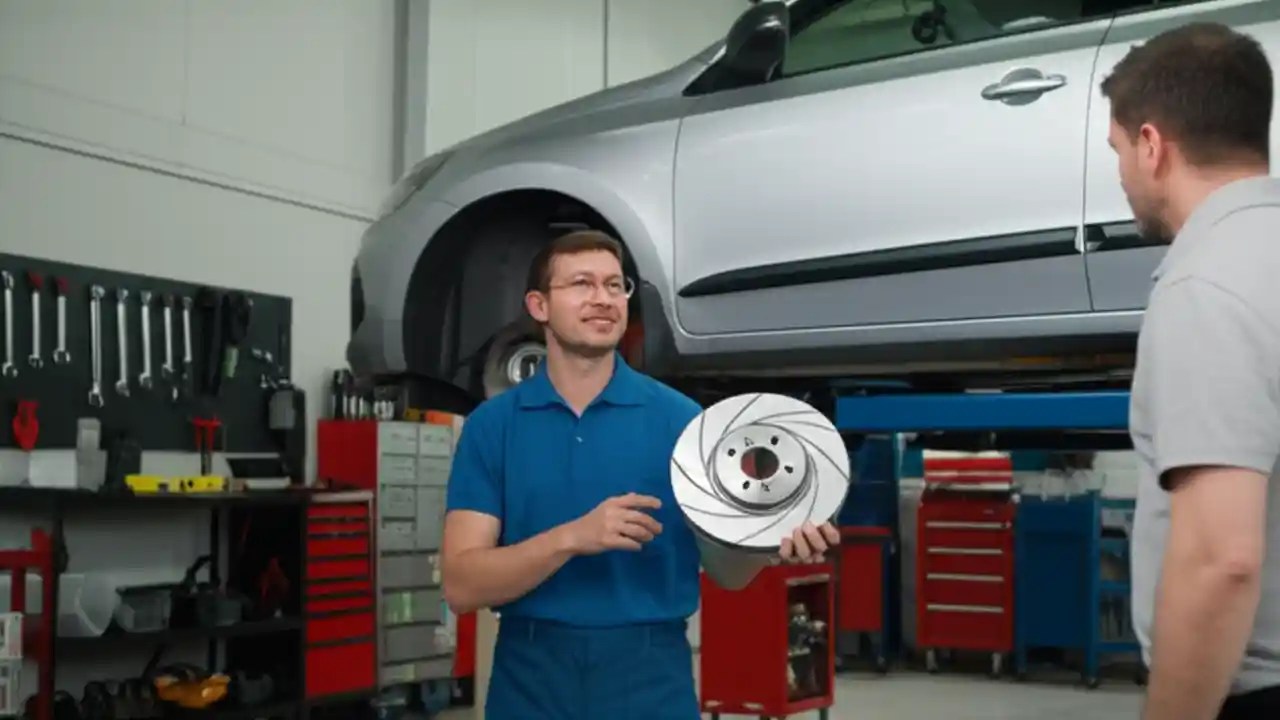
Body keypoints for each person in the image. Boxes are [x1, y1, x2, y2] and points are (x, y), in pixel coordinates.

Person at [440, 229, 841, 719]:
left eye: (615, 285)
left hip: (650, 681)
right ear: (539, 305)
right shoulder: (493, 427)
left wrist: (766, 543)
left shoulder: (681, 422)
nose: (603, 299)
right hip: (530, 681)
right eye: (582, 284)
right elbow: (461, 585)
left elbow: (726, 573)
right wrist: (571, 537)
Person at [1102, 21, 1280, 720]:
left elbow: (1220, 559)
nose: (1118, 174)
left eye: (1115, 150)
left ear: (1152, 146)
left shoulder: (1205, 288)